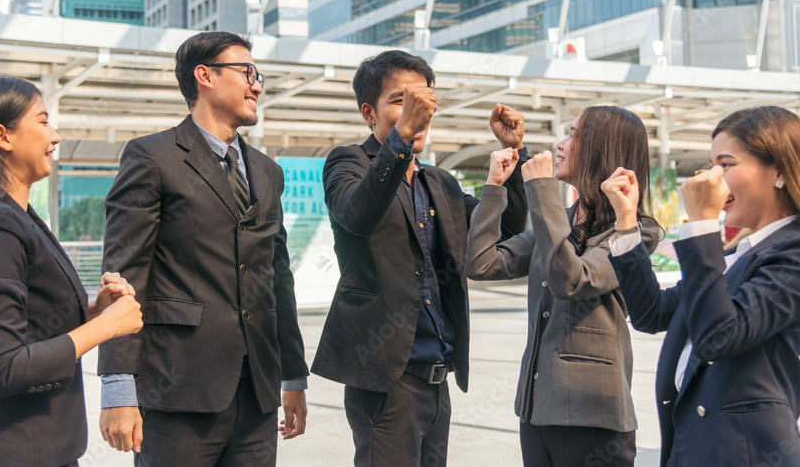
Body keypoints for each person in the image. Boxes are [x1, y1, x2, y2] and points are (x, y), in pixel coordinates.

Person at [98, 31, 309, 466]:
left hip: (257, 393)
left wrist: (294, 376)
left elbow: (277, 280)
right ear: (204, 76)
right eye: (247, 72)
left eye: (259, 75)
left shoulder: (268, 173)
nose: (257, 85)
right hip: (177, 390)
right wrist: (117, 386)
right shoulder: (152, 157)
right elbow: (124, 273)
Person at [0, 75, 143, 467]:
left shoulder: (17, 218)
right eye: (43, 121)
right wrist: (105, 328)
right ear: (3, 136)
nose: (55, 135)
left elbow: (28, 329)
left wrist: (92, 313)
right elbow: (4, 367)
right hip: (17, 454)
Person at [312, 50, 528, 466]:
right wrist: (401, 137)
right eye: (400, 101)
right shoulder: (348, 162)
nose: (416, 112)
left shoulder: (440, 182)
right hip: (385, 381)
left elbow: (505, 230)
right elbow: (358, 214)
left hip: (437, 377)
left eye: (422, 102)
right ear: (368, 113)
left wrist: (512, 159)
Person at [605, 105, 800, 467]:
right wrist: (626, 222)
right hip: (696, 445)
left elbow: (719, 335)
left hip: (745, 450)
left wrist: (700, 225)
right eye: (711, 164)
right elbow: (652, 313)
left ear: (779, 170)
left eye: (726, 164)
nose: (712, 176)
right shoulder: (736, 254)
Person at [467, 105, 660, 467]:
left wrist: (542, 189)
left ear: (604, 149)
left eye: (574, 135)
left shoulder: (635, 230)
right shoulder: (563, 220)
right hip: (537, 410)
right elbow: (481, 263)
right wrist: (494, 187)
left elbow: (571, 279)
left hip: (593, 416)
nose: (560, 144)